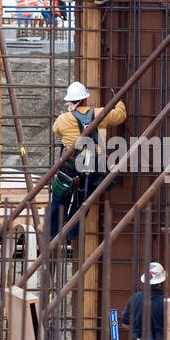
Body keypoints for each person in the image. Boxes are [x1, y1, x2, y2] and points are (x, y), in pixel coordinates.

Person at [48, 80, 127, 244]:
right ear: (85, 99)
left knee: (59, 198)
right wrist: (118, 100)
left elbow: (56, 129)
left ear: (70, 101)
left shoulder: (63, 119)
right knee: (82, 202)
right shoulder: (100, 114)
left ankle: (54, 232)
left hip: (71, 167)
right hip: (93, 167)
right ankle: (71, 232)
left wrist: (69, 116)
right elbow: (120, 115)